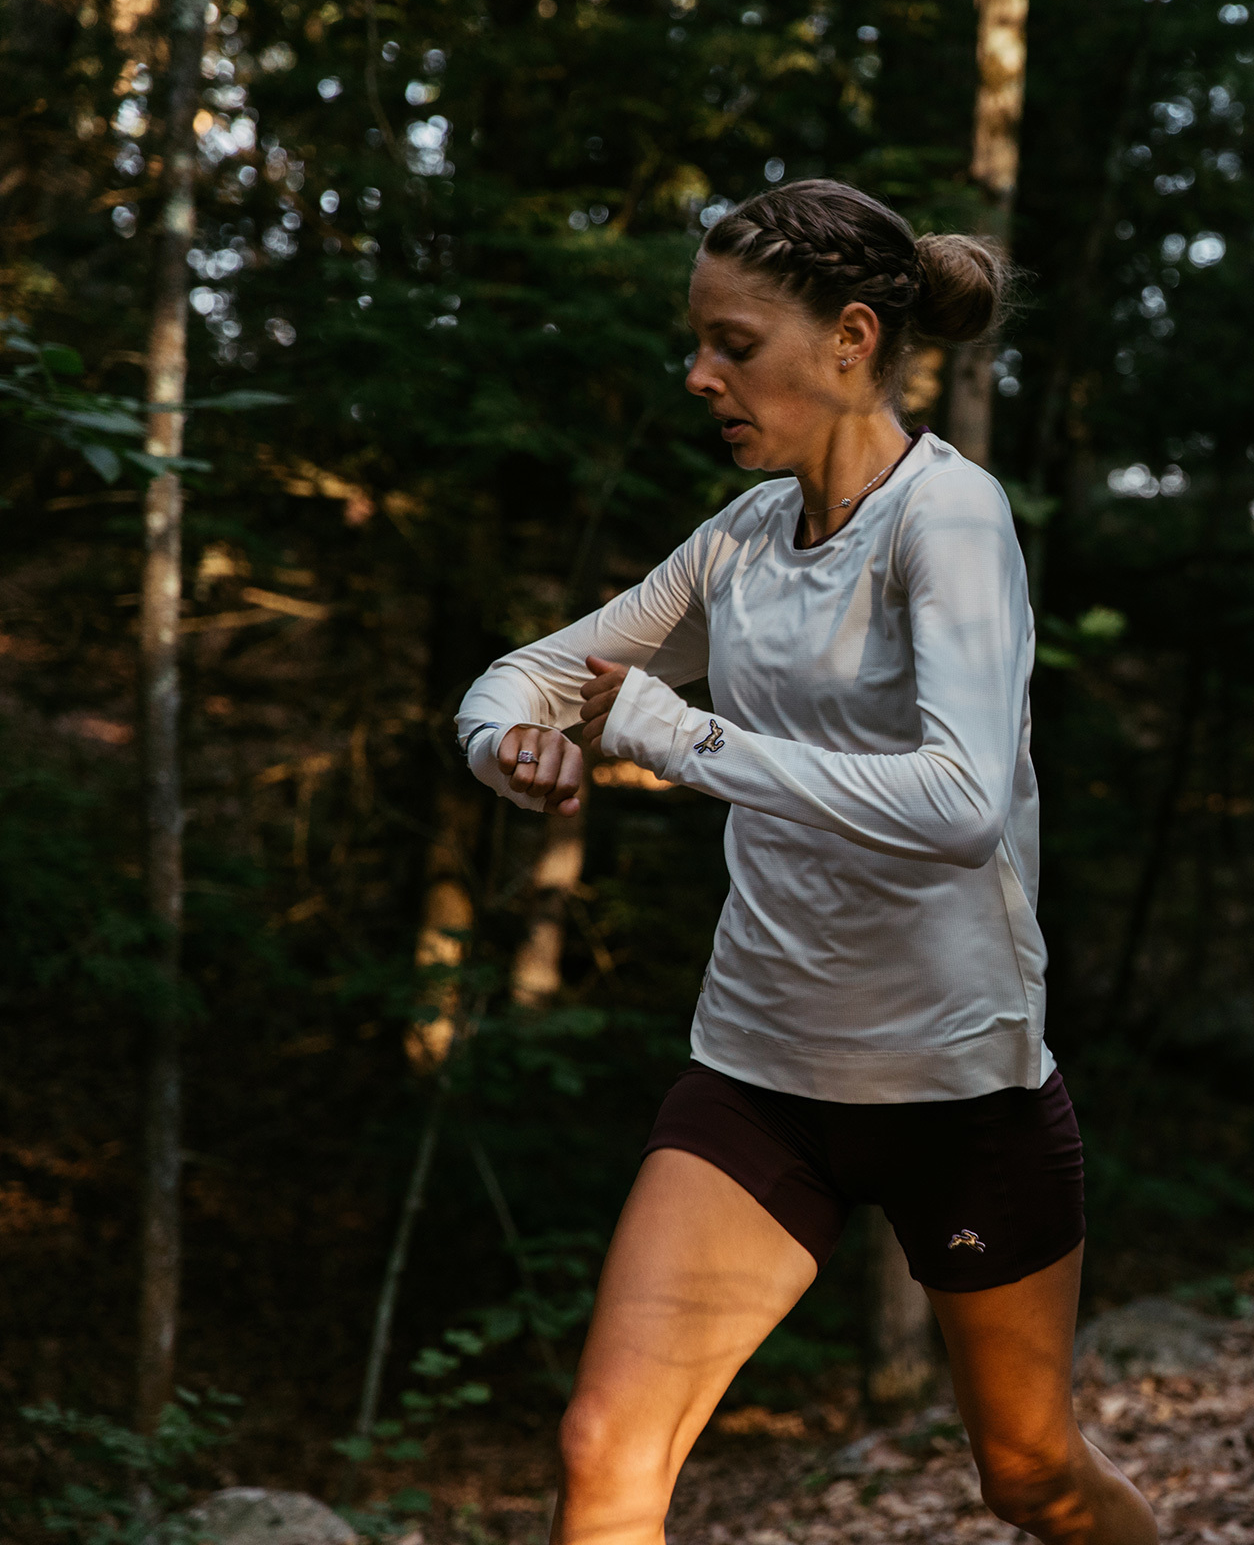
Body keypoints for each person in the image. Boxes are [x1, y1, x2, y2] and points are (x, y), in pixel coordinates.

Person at [453, 179, 1155, 1545]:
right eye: (698, 343)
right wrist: (512, 746)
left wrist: (674, 736)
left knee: (1031, 1477)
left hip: (958, 1088)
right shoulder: (740, 542)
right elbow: (524, 677)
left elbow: (960, 803)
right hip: (761, 1075)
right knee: (603, 1453)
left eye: (734, 344)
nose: (698, 374)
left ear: (849, 340)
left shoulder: (948, 518)